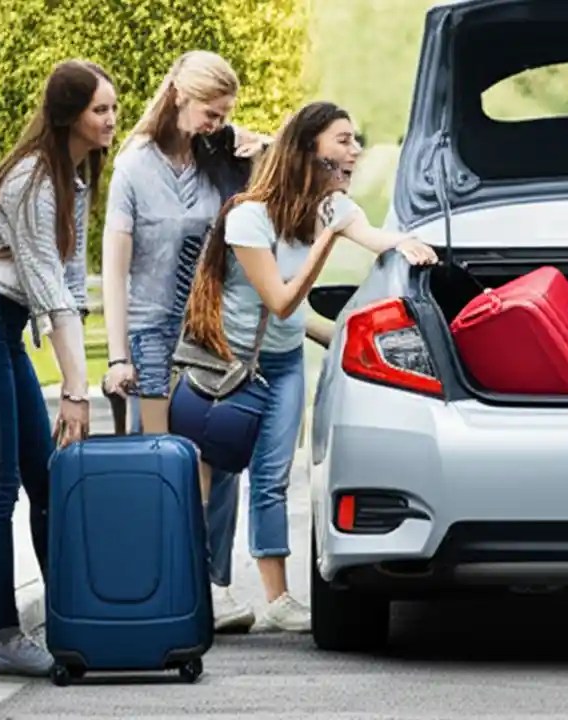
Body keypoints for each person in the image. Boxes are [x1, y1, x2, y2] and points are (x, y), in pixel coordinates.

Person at [182, 101, 437, 632]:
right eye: (342, 140)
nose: (355, 151)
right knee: (211, 477)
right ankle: (201, 588)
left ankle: (276, 600)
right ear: (308, 148)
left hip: (282, 365)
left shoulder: (329, 207)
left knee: (273, 478)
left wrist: (406, 244)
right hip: (230, 370)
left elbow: (372, 238)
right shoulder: (248, 217)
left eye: (355, 140)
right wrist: (326, 238)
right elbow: (280, 301)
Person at [0, 59, 116, 676]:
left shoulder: (76, 178)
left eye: (113, 108)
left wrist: (76, 375)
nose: (111, 119)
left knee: (47, 482)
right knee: (0, 489)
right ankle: (5, 638)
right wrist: (76, 391)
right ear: (70, 116)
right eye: (100, 110)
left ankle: (70, 616)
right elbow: (46, 289)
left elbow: (69, 285)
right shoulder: (32, 181)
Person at [100, 49, 270, 634]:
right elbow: (114, 268)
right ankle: (171, 585)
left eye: (225, 115)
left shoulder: (219, 160)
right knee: (167, 465)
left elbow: (280, 207)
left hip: (206, 334)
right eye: (210, 113)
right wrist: (117, 352)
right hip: (150, 335)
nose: (217, 124)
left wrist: (263, 152)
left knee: (220, 457)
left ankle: (212, 586)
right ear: (178, 95)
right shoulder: (133, 168)